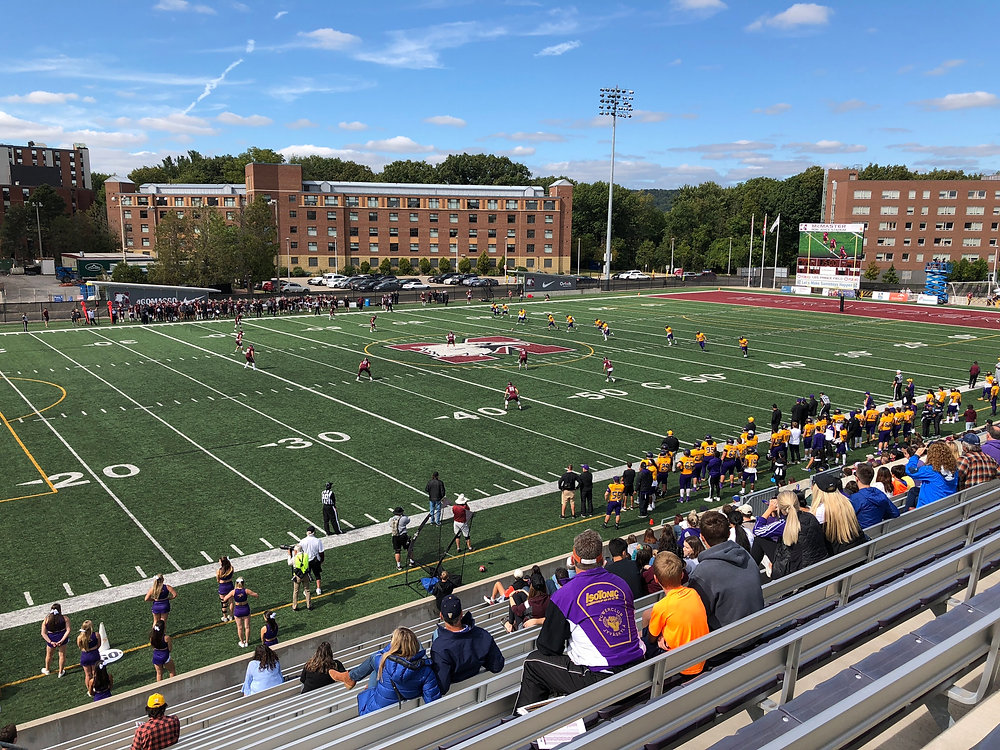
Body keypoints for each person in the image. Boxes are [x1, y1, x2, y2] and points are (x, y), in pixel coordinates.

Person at [513, 529, 646, 710]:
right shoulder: (621, 584)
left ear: (573, 559)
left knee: (533, 663)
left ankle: (523, 729)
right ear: (601, 559)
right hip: (638, 670)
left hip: (603, 679)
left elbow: (547, 647)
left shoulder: (565, 595)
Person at [330, 627, 441, 715]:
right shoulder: (426, 671)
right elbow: (432, 704)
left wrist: (393, 644)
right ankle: (350, 677)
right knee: (377, 669)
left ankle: (350, 677)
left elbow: (375, 657)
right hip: (404, 714)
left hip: (371, 712)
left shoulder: (385, 662)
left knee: (375, 668)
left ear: (395, 646)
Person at [687, 511, 765, 630]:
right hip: (756, 629)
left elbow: (695, 616)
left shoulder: (702, 572)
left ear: (702, 537)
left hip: (729, 642)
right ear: (729, 533)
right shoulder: (746, 556)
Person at [640, 552, 710, 682]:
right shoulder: (693, 593)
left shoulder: (662, 606)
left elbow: (651, 638)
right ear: (682, 575)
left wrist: (659, 637)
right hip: (702, 655)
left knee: (644, 641)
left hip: (682, 665)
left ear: (656, 579)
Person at [431, 595, 505, 694]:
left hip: (455, 701)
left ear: (441, 616)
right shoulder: (482, 635)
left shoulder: (439, 647)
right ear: (461, 614)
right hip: (482, 694)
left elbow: (442, 687)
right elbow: (497, 666)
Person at [770, 492, 828, 580]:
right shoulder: (811, 517)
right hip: (819, 565)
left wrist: (770, 510)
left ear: (781, 507)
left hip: (800, 574)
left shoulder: (783, 524)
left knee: (760, 540)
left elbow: (758, 530)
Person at [846, 464, 900, 529]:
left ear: (857, 478)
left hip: (864, 536)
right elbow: (895, 513)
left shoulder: (855, 498)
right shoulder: (879, 493)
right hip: (880, 534)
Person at [906, 441, 959, 507]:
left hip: (930, 509)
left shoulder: (930, 470)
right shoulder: (954, 469)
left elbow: (909, 470)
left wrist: (916, 456)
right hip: (948, 506)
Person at [223, 577, 260, 648]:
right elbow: (256, 595)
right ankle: (247, 642)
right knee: (247, 627)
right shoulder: (246, 590)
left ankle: (242, 642)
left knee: (239, 627)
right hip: (246, 609)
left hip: (238, 610)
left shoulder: (233, 592)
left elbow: (225, 599)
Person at [40, 603, 70, 677]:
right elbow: (68, 630)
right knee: (62, 655)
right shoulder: (65, 618)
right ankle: (60, 672)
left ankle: (47, 670)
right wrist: (62, 640)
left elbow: (43, 633)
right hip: (61, 636)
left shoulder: (46, 619)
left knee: (49, 655)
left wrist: (50, 641)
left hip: (51, 637)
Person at [77, 619, 102, 693]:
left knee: (87, 675)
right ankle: (96, 687)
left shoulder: (80, 637)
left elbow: (79, 646)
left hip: (85, 656)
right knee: (95, 673)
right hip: (94, 654)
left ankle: (89, 690)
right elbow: (99, 645)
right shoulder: (96, 634)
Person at [299, 526, 325, 596]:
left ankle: (306, 590)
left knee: (306, 575)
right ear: (314, 532)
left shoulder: (302, 541)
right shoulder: (318, 540)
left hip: (306, 560)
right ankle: (318, 589)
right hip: (315, 560)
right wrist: (322, 560)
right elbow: (321, 552)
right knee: (317, 574)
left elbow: (299, 550)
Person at [289, 544, 312, 611]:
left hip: (297, 576)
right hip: (305, 575)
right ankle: (309, 605)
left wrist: (289, 555)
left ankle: (295, 606)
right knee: (307, 590)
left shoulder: (295, 558)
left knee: (296, 591)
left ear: (295, 551)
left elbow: (289, 563)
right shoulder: (306, 555)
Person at [217, 556, 235, 622]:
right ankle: (231, 616)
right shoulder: (231, 568)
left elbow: (218, 580)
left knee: (223, 602)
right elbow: (232, 576)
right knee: (231, 602)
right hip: (230, 585)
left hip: (222, 586)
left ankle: (224, 617)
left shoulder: (219, 571)